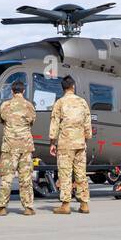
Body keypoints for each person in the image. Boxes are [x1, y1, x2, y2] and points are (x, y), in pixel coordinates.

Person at [48, 75, 92, 214]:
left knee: (65, 174)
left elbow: (54, 123)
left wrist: (52, 142)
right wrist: (86, 138)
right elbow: (87, 122)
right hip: (80, 143)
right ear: (73, 87)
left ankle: (66, 205)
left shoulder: (60, 103)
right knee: (81, 173)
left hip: (65, 144)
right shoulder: (82, 102)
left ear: (63, 88)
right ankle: (84, 204)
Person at [0, 79, 37, 216]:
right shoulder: (29, 105)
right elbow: (32, 121)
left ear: (12, 91)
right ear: (23, 91)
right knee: (26, 178)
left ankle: (1, 207)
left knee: (6, 177)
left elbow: (0, 120)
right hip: (25, 147)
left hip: (9, 146)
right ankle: (28, 207)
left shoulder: (5, 105)